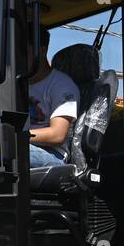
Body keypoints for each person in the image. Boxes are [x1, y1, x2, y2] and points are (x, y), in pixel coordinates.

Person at [26, 28, 80, 169]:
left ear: (42, 51)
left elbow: (57, 135)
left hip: (53, 154)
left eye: (22, 50)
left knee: (4, 152)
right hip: (24, 144)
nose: (15, 56)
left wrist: (16, 136)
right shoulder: (17, 83)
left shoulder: (61, 84)